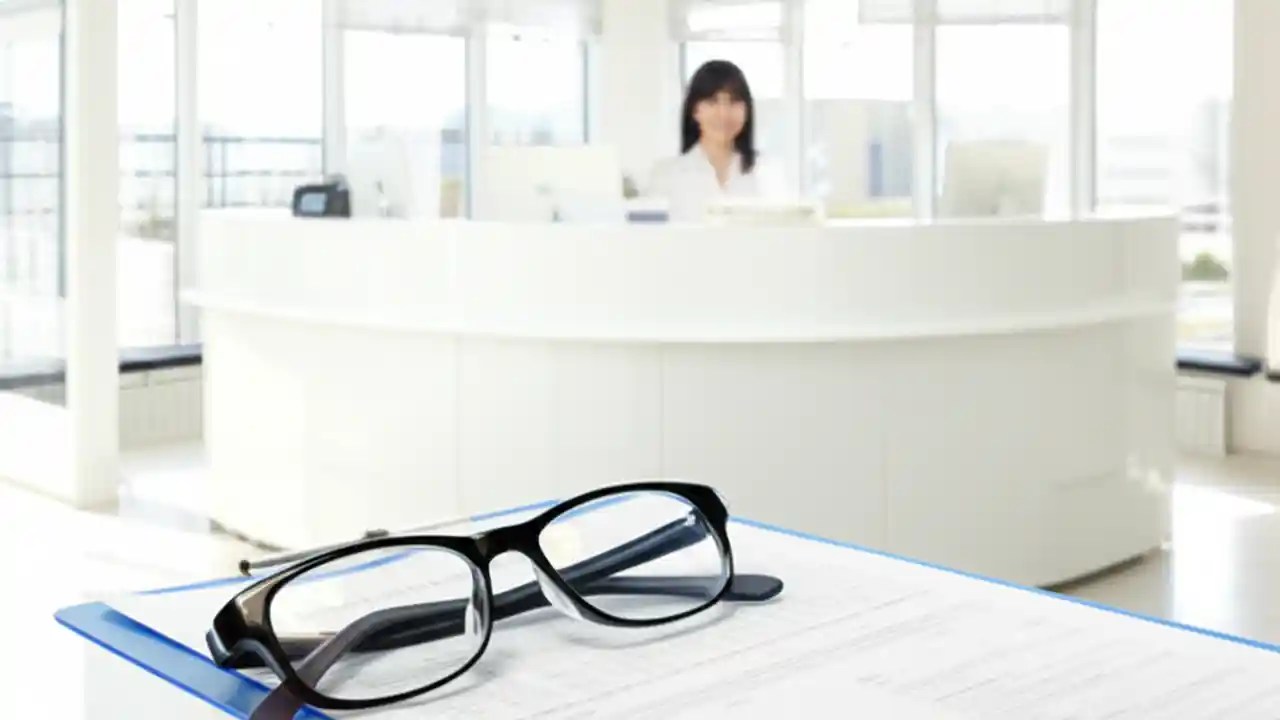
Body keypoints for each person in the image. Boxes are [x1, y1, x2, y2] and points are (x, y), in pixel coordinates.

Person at [647, 59, 780, 221]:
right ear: (694, 110)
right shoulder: (665, 176)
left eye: (734, 101)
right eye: (712, 101)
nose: (723, 113)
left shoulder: (766, 171)